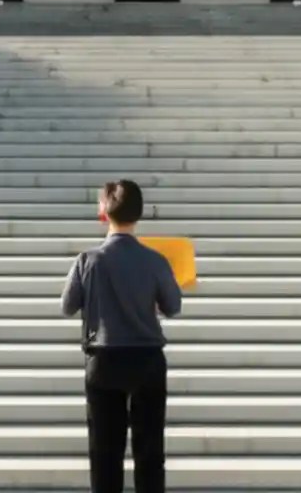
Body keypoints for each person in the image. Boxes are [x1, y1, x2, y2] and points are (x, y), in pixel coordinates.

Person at [61, 180, 183, 493]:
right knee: (150, 453)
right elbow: (173, 307)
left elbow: (67, 306)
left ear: (103, 213)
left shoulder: (88, 260)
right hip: (147, 361)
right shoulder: (156, 260)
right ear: (139, 214)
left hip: (104, 360)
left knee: (105, 455)